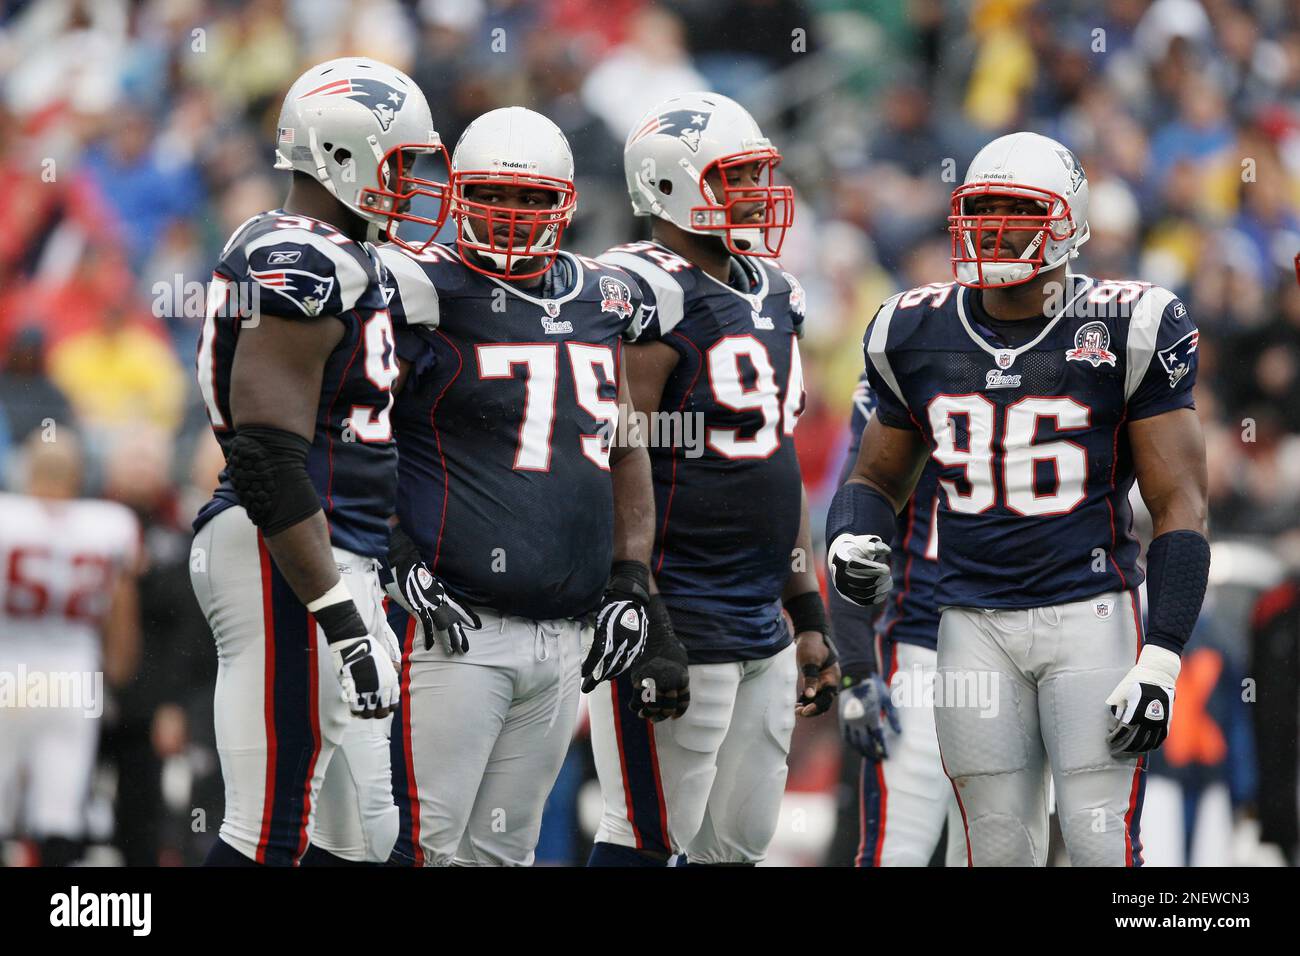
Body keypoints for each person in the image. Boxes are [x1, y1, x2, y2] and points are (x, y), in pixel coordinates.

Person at [827, 131, 1211, 867]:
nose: (995, 226)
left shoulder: (1131, 325)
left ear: (1069, 221)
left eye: (1017, 209)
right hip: (970, 620)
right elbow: (874, 480)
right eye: (983, 207)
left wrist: (1161, 658)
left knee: (1101, 841)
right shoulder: (914, 328)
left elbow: (1180, 505)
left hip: (1089, 612)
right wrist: (851, 536)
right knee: (996, 849)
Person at [376, 106, 659, 867]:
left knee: (503, 855)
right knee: (417, 846)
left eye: (533, 198)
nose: (512, 214)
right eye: (495, 194)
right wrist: (392, 549)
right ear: (459, 193)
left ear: (565, 201)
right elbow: (352, 431)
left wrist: (631, 577)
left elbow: (626, 446)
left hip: (564, 632)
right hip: (452, 624)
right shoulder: (423, 290)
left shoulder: (606, 298)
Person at [188, 56, 448, 866]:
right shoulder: (297, 255)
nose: (414, 185)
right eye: (401, 164)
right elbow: (266, 456)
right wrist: (337, 612)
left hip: (331, 552)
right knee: (270, 824)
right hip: (287, 553)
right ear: (343, 156)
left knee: (365, 835)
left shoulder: (352, 257)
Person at [588, 92, 840, 867]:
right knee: (644, 837)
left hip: (759, 620)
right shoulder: (645, 292)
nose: (754, 196)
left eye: (756, 176)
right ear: (671, 187)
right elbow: (611, 458)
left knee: (735, 846)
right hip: (677, 613)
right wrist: (640, 608)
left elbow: (776, 457)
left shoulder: (774, 295)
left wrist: (806, 610)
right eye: (734, 179)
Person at [831, 369, 964, 867]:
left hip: (1029, 644)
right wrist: (858, 667)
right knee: (896, 849)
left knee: (1008, 849)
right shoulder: (913, 358)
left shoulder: (1072, 358)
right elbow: (856, 527)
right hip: (922, 644)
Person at [0, 430, 140, 866]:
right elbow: (121, 611)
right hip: (74, 676)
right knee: (60, 811)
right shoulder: (109, 524)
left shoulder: (8, 517)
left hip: (9, 669)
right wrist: (117, 676)